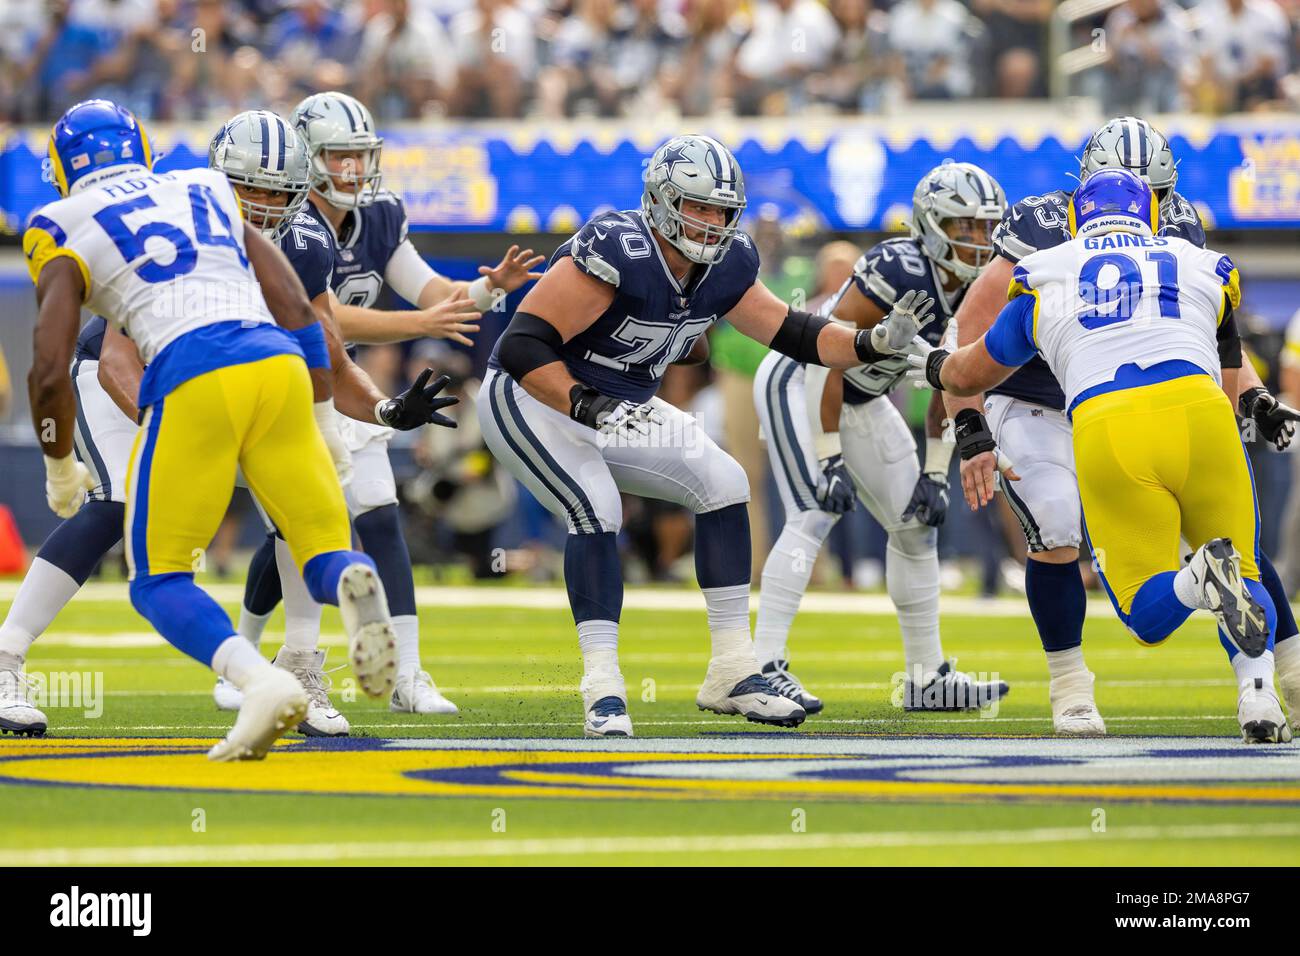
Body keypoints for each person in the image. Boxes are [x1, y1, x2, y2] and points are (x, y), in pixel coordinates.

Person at [478, 133, 932, 737]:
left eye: (722, 210)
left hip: (621, 405)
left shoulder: (728, 264)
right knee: (598, 508)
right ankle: (604, 687)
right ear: (662, 200)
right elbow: (521, 345)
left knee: (725, 483)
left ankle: (732, 671)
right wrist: (587, 405)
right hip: (533, 397)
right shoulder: (619, 246)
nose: (712, 222)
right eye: (698, 206)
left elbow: (793, 332)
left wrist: (868, 344)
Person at [20, 99, 412, 759]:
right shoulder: (199, 186)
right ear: (142, 147)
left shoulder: (57, 222)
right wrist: (320, 415)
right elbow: (292, 302)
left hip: (192, 369)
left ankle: (260, 682)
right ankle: (348, 578)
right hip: (280, 367)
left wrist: (60, 466)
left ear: (60, 166)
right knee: (318, 547)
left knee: (159, 577)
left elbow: (47, 368)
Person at [941, 115, 1300, 736]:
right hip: (1037, 397)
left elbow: (1220, 344)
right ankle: (1072, 687)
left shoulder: (1161, 232)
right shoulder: (1046, 232)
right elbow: (969, 334)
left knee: (1199, 560)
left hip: (1104, 407)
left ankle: (1272, 683)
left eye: (1162, 197)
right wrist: (970, 428)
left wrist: (1256, 400)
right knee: (1059, 524)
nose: (1156, 209)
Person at [230, 90, 543, 719]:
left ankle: (406, 672)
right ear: (308, 159)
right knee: (292, 527)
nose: (352, 170)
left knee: (375, 511)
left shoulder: (380, 215)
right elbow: (326, 321)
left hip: (344, 390)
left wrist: (486, 290)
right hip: (283, 381)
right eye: (338, 157)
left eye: (359, 156)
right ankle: (249, 656)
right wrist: (416, 322)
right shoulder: (288, 223)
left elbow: (431, 290)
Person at [753, 162, 1010, 713]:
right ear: (932, 224)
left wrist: (938, 471)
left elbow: (953, 378)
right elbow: (825, 356)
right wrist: (828, 457)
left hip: (863, 398)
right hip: (800, 377)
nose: (980, 241)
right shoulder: (896, 267)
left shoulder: (984, 285)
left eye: (987, 228)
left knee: (917, 527)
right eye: (965, 227)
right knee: (813, 513)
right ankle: (762, 667)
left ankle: (927, 679)